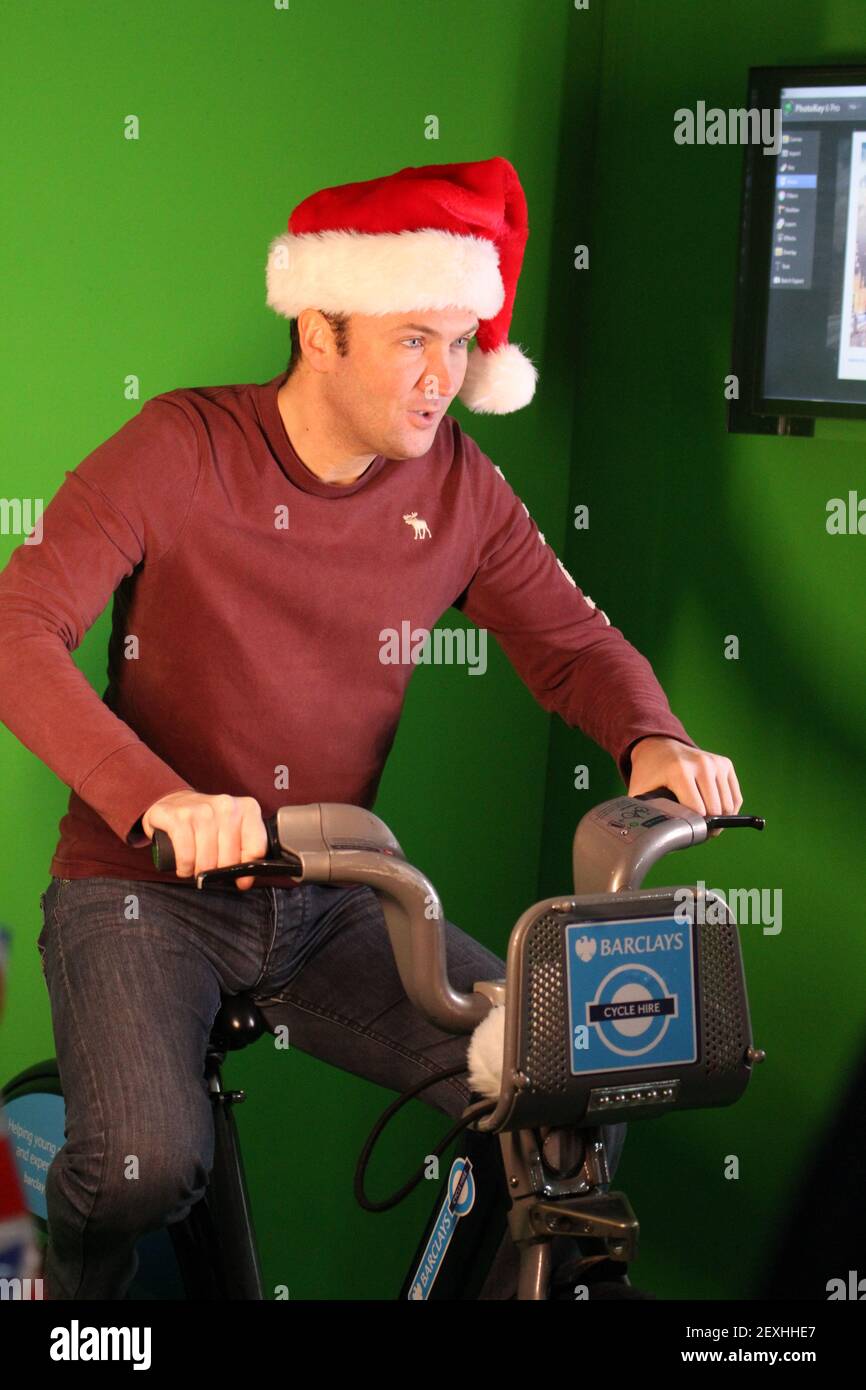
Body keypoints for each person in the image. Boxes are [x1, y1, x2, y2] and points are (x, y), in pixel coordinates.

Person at [0, 156, 741, 1300]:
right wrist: (156, 797)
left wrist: (651, 736)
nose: (443, 377)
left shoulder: (456, 486)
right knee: (143, 1165)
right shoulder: (178, 449)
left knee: (568, 1089)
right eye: (412, 341)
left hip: (338, 892)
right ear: (318, 329)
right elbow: (18, 631)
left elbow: (573, 644)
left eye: (459, 343)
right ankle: (71, 1311)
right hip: (142, 890)